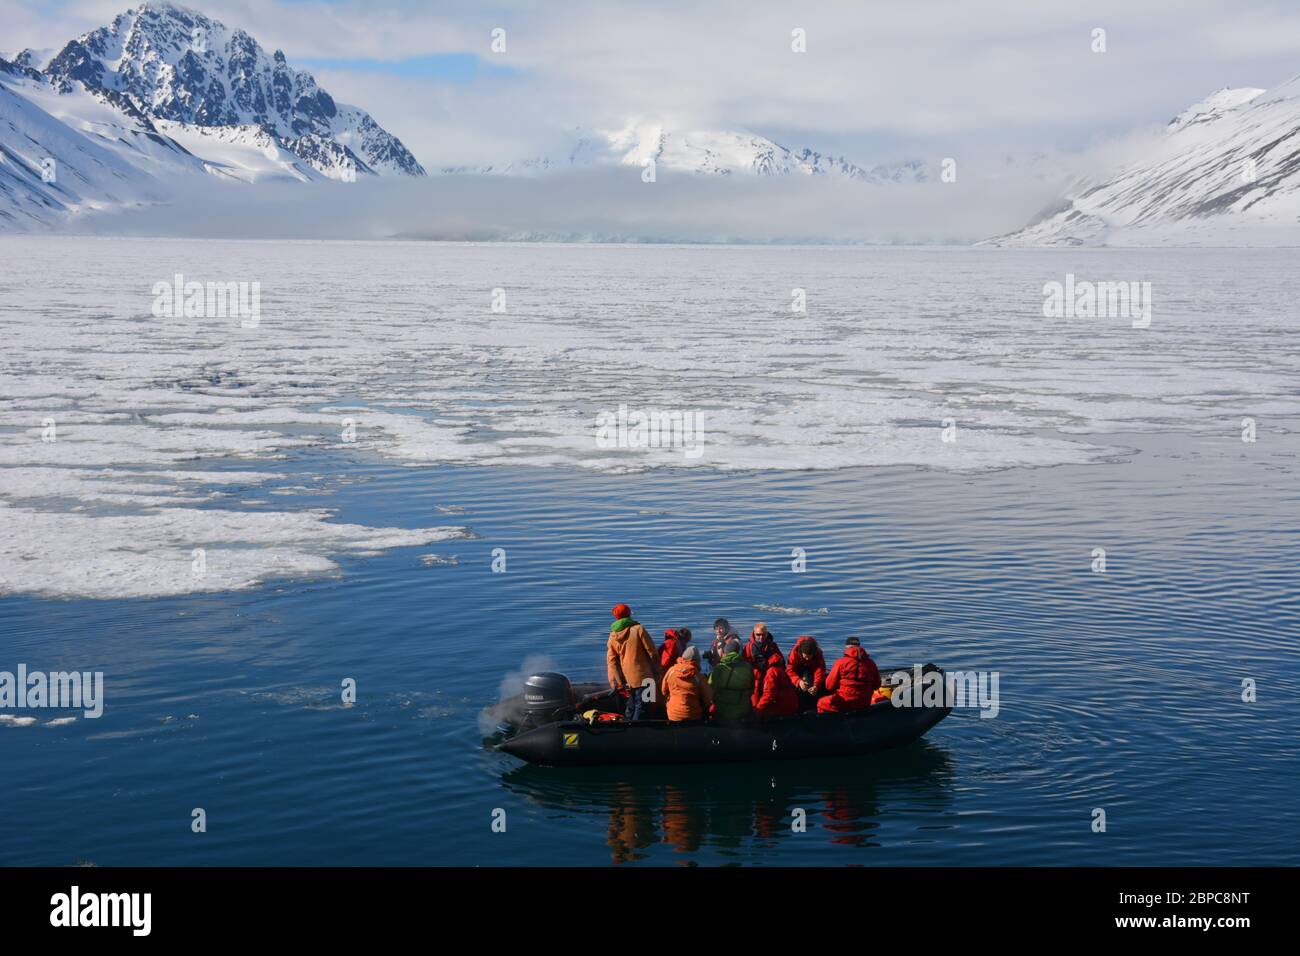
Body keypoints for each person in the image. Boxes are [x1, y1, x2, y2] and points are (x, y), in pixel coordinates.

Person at [606, 603, 660, 721]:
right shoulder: (638, 629)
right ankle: (638, 731)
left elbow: (612, 661)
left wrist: (618, 681)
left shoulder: (612, 636)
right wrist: (657, 670)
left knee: (631, 705)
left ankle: (627, 725)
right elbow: (652, 652)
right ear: (629, 615)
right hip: (646, 677)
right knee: (644, 706)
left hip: (627, 678)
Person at [816, 637, 881, 713]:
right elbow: (877, 685)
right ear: (859, 646)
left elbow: (829, 686)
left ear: (846, 647)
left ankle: (828, 722)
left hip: (845, 702)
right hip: (864, 702)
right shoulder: (871, 663)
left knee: (821, 703)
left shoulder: (840, 662)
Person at [660, 646, 712, 722]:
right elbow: (708, 698)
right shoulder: (699, 677)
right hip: (693, 715)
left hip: (673, 714)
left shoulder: (671, 671)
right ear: (697, 661)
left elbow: (663, 691)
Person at [708, 637, 754, 722]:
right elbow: (752, 689)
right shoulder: (748, 668)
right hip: (743, 711)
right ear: (738, 652)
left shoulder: (719, 668)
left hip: (723, 710)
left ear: (725, 652)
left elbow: (710, 689)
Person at [752, 650, 799, 718]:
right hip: (790, 703)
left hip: (783, 706)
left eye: (760, 660)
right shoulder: (777, 668)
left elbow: (769, 695)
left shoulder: (771, 672)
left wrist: (758, 710)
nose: (758, 664)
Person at [787, 635, 828, 711]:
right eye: (805, 657)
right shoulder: (794, 653)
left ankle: (812, 705)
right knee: (799, 687)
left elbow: (820, 670)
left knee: (815, 684)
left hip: (811, 670)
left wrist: (816, 685)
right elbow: (790, 670)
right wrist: (798, 681)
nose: (807, 659)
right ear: (801, 652)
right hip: (798, 671)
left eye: (809, 657)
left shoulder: (818, 653)